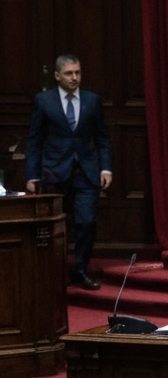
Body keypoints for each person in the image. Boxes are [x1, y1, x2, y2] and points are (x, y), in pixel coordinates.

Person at [25, 54, 112, 290]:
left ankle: (80, 270)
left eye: (78, 72)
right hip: (54, 172)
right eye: (69, 73)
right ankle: (53, 273)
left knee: (85, 222)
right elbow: (34, 140)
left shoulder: (92, 100)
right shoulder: (44, 101)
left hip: (86, 171)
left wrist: (106, 168)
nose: (75, 78)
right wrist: (32, 175)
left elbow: (102, 137)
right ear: (57, 75)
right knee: (55, 226)